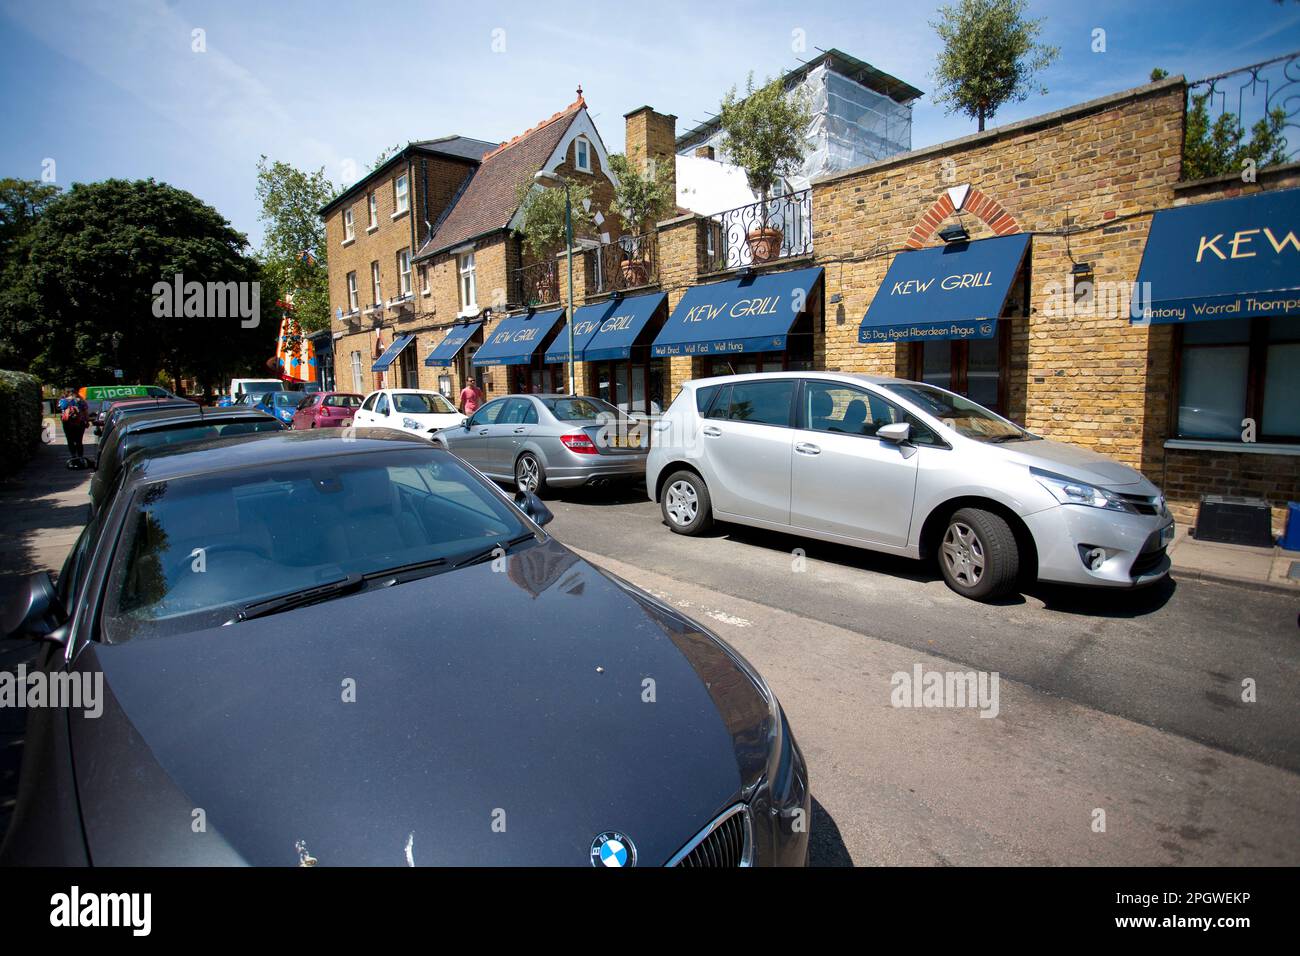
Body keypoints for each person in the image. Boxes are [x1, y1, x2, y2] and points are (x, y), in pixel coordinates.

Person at [57, 388, 90, 461]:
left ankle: (73, 455)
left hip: (67, 423)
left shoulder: (62, 401)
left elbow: (60, 410)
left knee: (70, 439)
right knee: (79, 440)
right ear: (76, 392)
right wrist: (87, 421)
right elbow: (86, 412)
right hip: (79, 422)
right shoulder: (81, 401)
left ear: (67, 392)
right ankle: (80, 456)